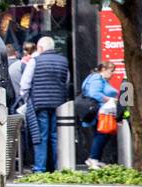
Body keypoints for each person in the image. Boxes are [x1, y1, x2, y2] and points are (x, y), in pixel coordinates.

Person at [20, 36, 72, 172]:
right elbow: (66, 82)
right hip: (58, 104)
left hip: (39, 104)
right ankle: (56, 167)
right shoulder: (63, 61)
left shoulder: (35, 61)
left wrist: (27, 99)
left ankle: (40, 168)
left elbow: (25, 84)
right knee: (55, 136)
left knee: (40, 136)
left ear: (40, 48)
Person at [80, 62, 120, 169]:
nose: (112, 74)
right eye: (111, 71)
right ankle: (93, 159)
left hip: (102, 111)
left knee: (103, 135)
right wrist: (110, 99)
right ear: (103, 69)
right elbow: (94, 93)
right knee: (101, 135)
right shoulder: (97, 78)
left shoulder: (98, 79)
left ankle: (96, 158)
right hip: (100, 112)